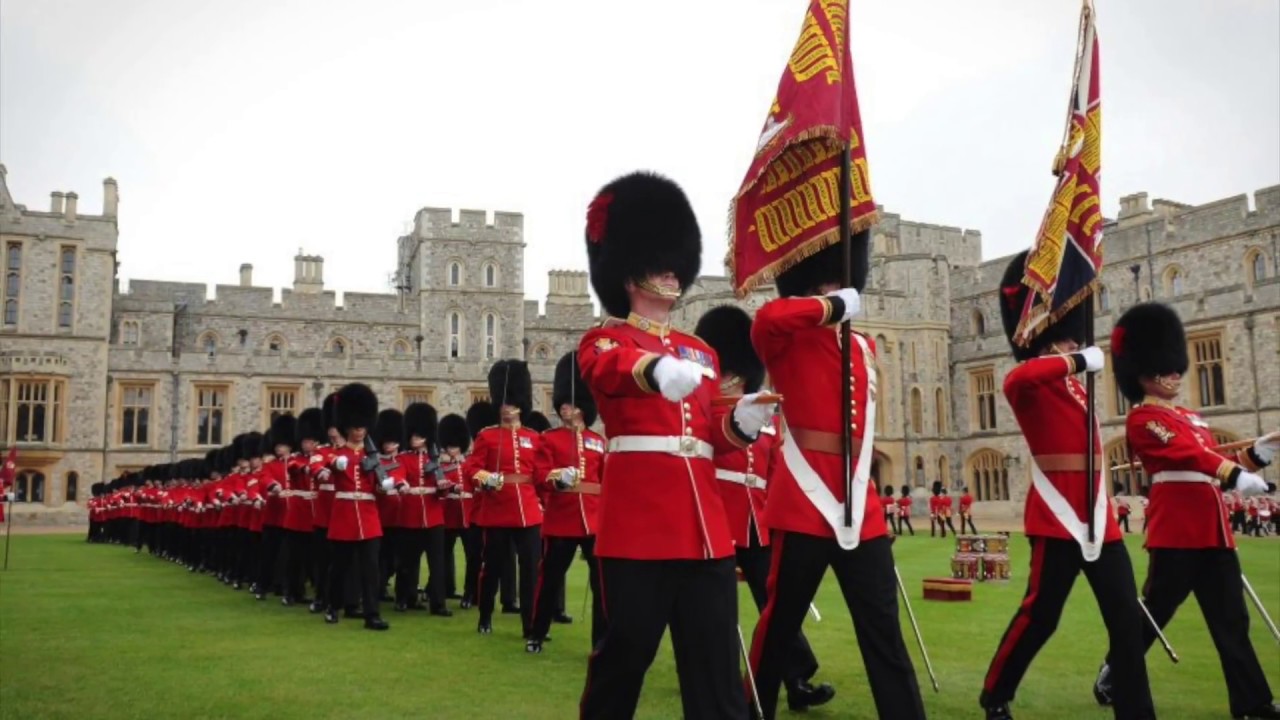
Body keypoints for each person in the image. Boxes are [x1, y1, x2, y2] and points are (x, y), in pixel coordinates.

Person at [577, 171, 769, 720]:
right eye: (658, 261)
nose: (670, 272)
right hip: (638, 532)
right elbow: (609, 371)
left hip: (706, 535)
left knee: (715, 671)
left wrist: (744, 420)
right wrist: (652, 369)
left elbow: (709, 435)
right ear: (629, 269)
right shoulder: (607, 338)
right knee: (625, 659)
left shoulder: (701, 353)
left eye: (673, 261)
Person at [745, 225, 925, 720]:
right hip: (805, 499)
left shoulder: (863, 347)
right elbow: (767, 318)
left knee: (884, 633)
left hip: (859, 505)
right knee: (780, 623)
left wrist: (839, 311)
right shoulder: (786, 332)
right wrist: (829, 305)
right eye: (826, 283)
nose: (836, 290)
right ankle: (752, 710)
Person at [979, 251, 1154, 720]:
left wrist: (1078, 361)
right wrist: (1076, 359)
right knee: (1040, 618)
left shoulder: (1078, 380)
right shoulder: (1033, 377)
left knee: (1125, 622)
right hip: (1058, 517)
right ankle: (995, 694)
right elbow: (1022, 378)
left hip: (1098, 517)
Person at [1095, 302, 1278, 720]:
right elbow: (1187, 455)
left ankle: (1253, 704)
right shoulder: (1142, 419)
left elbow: (1211, 456)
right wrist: (1233, 473)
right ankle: (1114, 670)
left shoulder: (1192, 418)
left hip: (1213, 532)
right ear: (1142, 372)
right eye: (1165, 367)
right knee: (1154, 615)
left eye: (1176, 366)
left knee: (1232, 622)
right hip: (1177, 532)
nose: (1175, 373)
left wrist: (1258, 453)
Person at [697, 304, 834, 711]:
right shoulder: (709, 412)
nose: (726, 379)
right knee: (715, 611)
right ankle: (716, 681)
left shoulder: (767, 418)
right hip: (717, 517)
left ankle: (795, 679)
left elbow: (774, 473)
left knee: (776, 607)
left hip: (757, 521)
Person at [527, 351, 606, 654]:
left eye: (569, 403)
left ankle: (600, 641)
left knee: (602, 587)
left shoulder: (598, 442)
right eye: (561, 403)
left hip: (594, 519)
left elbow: (604, 481)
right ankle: (537, 633)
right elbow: (540, 474)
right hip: (562, 519)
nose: (563, 407)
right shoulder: (550, 439)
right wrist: (558, 478)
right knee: (549, 581)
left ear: (583, 407)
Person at [463, 360, 545, 639]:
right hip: (497, 509)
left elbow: (540, 474)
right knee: (493, 568)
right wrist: (485, 478)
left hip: (529, 512)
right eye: (503, 402)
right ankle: (485, 615)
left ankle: (530, 624)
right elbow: (471, 469)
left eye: (511, 402)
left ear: (521, 404)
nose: (506, 407)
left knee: (531, 572)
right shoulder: (486, 436)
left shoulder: (534, 438)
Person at [324, 383, 390, 630]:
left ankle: (371, 614)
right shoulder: (337, 454)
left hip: (369, 517)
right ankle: (333, 606)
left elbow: (377, 488)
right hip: (344, 517)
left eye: (362, 427)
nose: (359, 431)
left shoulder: (372, 456)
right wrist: (336, 463)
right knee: (339, 568)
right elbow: (326, 463)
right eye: (355, 427)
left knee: (371, 570)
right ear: (347, 427)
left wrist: (384, 488)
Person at [396, 402, 453, 615]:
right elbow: (398, 474)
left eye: (420, 435)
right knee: (407, 562)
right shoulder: (403, 458)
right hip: (410, 515)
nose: (416, 439)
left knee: (437, 563)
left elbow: (443, 487)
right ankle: (405, 598)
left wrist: (443, 488)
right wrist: (402, 484)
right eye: (413, 435)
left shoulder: (435, 459)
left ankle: (438, 603)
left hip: (433, 515)